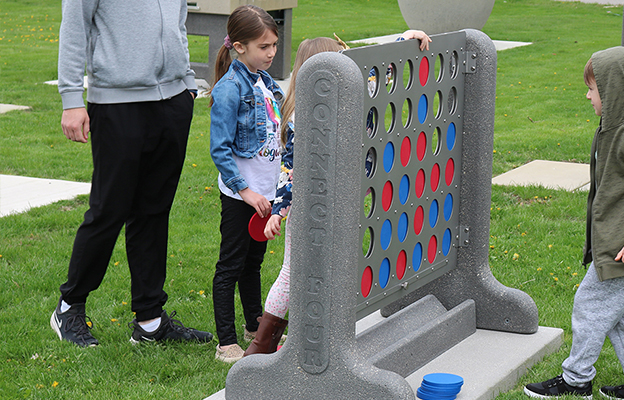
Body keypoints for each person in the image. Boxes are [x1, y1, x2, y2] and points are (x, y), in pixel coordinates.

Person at [243, 30, 433, 358]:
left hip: (334, 201)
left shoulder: (334, 97)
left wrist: (406, 38)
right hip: (322, 204)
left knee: (321, 269)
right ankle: (261, 344)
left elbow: (383, 68)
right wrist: (279, 210)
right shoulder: (305, 114)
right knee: (298, 271)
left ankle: (298, 337)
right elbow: (291, 171)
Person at [51, 0, 212, 348]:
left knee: (154, 212)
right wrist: (71, 99)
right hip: (116, 103)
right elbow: (75, 27)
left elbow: (178, 22)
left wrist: (186, 82)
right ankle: (69, 306)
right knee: (109, 210)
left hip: (172, 101)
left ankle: (150, 320)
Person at [523, 46, 624, 400]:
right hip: (618, 242)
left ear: (613, 90)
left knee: (589, 308)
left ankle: (576, 379)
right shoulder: (610, 130)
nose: (588, 96)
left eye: (593, 89)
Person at [208, 5, 284, 363]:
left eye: (274, 45)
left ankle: (255, 325)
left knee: (254, 263)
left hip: (265, 195)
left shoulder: (266, 84)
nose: (271, 53)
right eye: (263, 46)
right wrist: (246, 191)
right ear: (239, 46)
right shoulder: (229, 89)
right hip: (243, 196)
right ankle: (226, 343)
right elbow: (220, 150)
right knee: (231, 266)